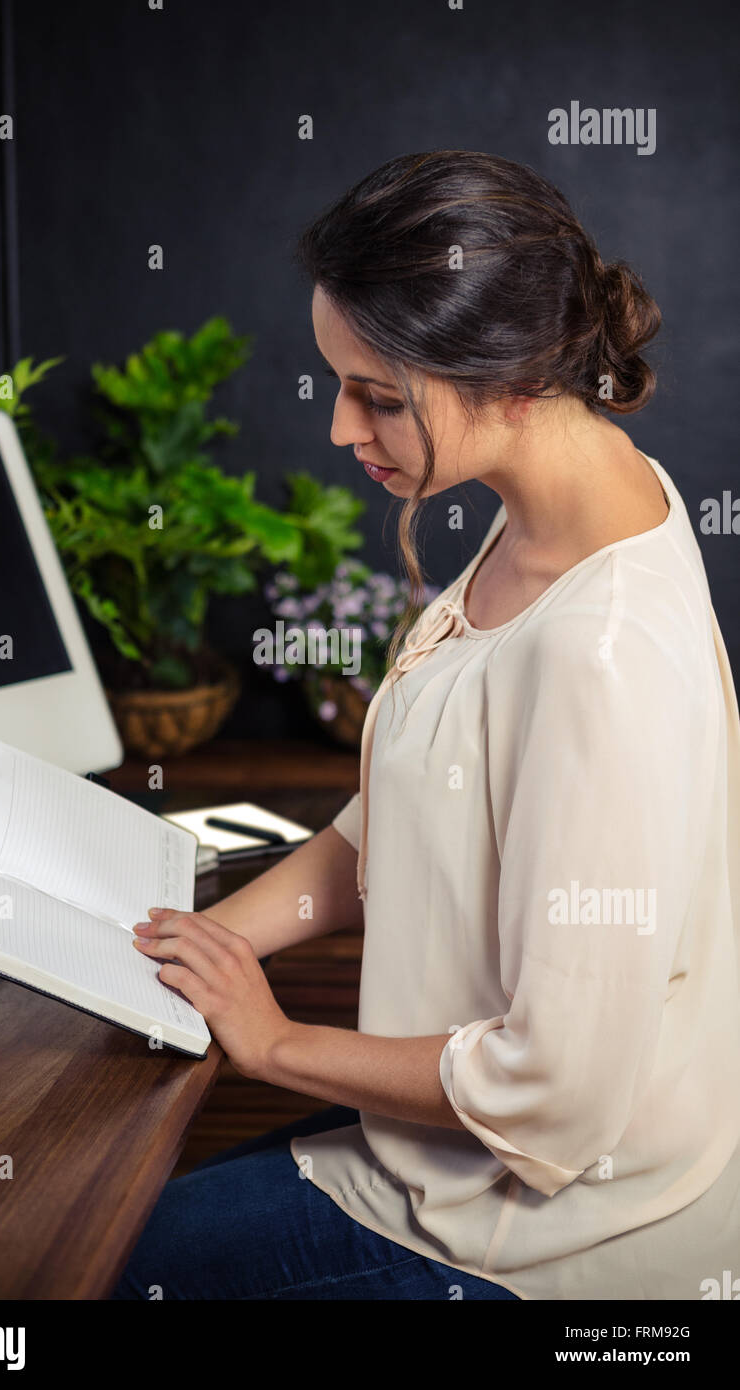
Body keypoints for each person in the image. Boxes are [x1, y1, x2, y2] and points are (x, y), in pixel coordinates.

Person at [112, 150, 740, 1301]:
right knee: (111, 1228)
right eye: (338, 382)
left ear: (514, 379)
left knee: (88, 1267)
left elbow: (555, 1089)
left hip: (549, 1237)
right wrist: (191, 941)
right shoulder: (558, 501)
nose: (339, 427)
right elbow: (408, 815)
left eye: (380, 397)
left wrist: (271, 1040)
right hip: (441, 1159)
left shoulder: (600, 655)